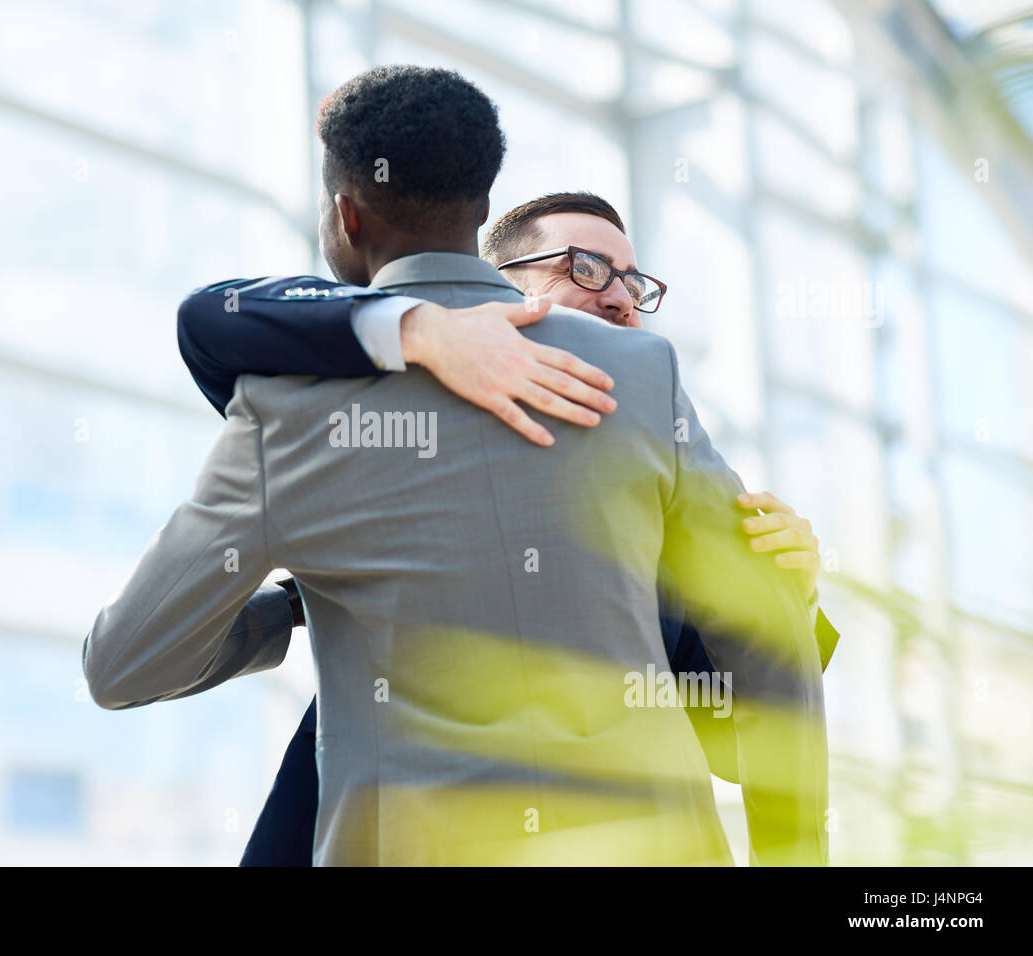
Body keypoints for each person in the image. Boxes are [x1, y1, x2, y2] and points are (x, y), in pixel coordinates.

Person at [83, 64, 829, 865]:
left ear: (345, 212)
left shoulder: (288, 408)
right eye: (585, 268)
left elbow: (126, 663)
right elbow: (766, 630)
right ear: (482, 210)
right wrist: (792, 852)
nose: (615, 296)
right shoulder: (645, 376)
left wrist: (290, 608)